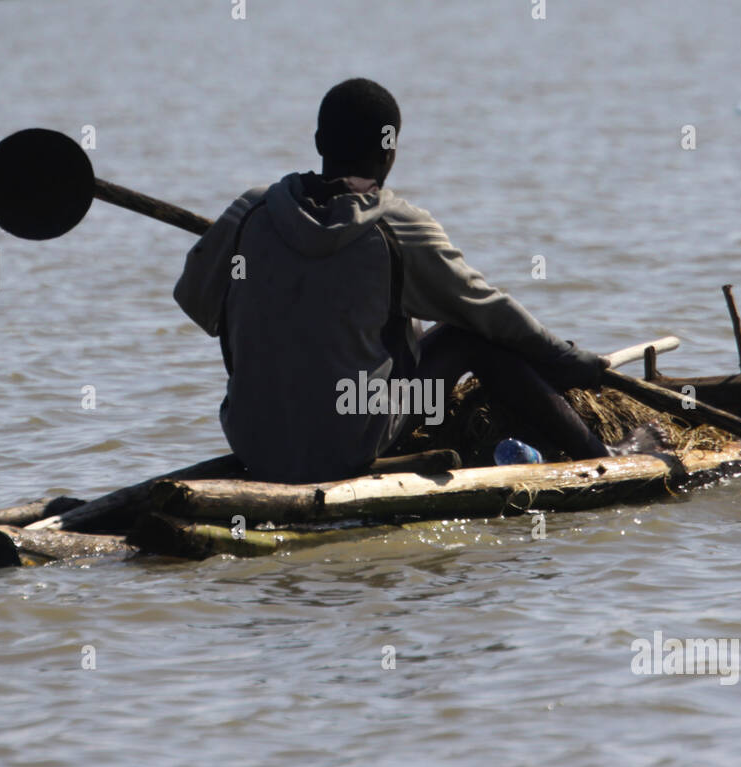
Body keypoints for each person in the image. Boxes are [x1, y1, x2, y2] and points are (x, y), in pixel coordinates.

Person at [174, 78, 616, 484]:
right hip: (351, 441)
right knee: (473, 336)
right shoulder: (397, 227)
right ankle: (600, 455)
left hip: (253, 441)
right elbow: (488, 310)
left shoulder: (248, 213)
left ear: (318, 142)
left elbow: (194, 301)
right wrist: (566, 358)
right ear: (390, 153)